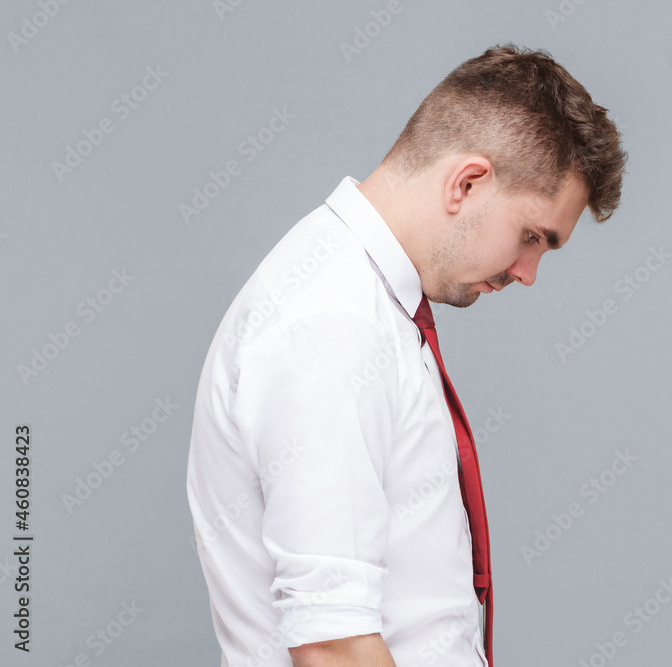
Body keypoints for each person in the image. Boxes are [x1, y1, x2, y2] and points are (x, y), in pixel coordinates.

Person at [186, 43, 626, 667]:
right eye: (533, 237)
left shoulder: (370, 305)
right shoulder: (331, 321)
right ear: (467, 183)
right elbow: (333, 645)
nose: (528, 273)